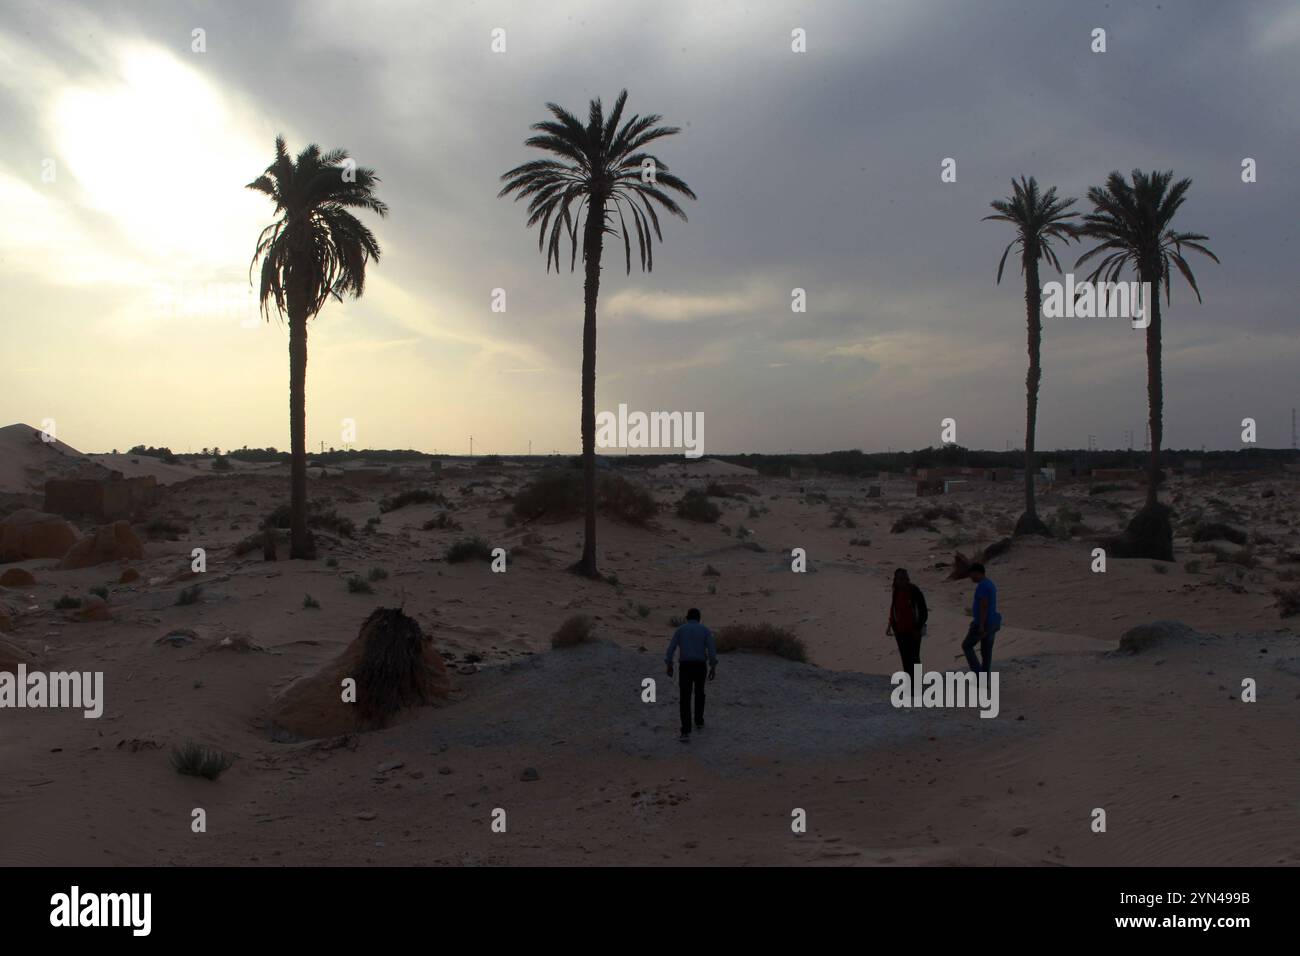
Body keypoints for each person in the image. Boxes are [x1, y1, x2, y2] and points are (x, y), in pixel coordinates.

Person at [665, 608, 717, 742]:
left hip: (685, 666)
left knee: (685, 697)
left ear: (687, 618)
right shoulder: (705, 630)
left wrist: (669, 664)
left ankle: (685, 730)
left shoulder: (680, 630)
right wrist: (713, 666)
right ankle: (699, 721)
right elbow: (711, 650)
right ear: (699, 618)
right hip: (700, 666)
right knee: (700, 693)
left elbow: (671, 648)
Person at [885, 568, 928, 680]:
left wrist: (917, 629)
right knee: (905, 658)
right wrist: (890, 624)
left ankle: (917, 684)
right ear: (896, 580)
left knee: (914, 658)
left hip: (914, 631)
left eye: (906, 578)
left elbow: (923, 612)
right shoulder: (896, 591)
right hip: (900, 631)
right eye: (901, 578)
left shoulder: (914, 591)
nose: (904, 581)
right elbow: (894, 608)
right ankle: (910, 684)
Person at [962, 562, 1002, 674]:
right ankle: (984, 679)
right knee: (986, 652)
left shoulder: (983, 585)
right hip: (992, 622)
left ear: (977, 573)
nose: (970, 577)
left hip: (984, 623)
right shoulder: (990, 584)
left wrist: (980, 625)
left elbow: (984, 606)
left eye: (971, 574)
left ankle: (978, 674)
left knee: (967, 646)